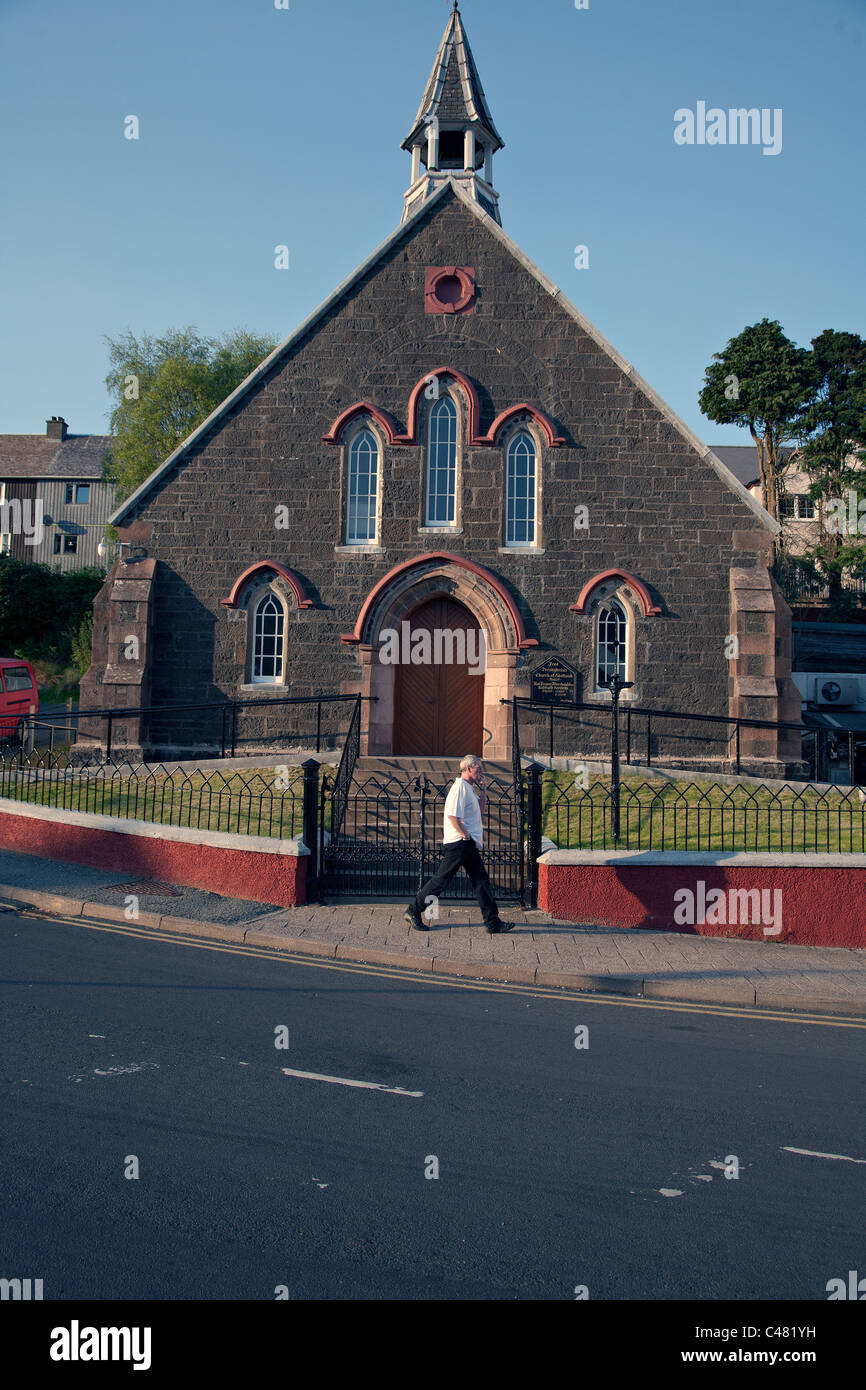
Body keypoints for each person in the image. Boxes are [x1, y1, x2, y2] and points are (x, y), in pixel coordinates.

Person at [405, 754, 514, 935]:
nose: (481, 772)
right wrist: (464, 835)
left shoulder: (469, 788)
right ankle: (413, 910)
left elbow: (480, 810)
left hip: (466, 843)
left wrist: (484, 790)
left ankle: (493, 923)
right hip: (459, 843)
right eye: (478, 768)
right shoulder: (459, 787)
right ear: (468, 768)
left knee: (481, 882)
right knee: (441, 880)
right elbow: (452, 816)